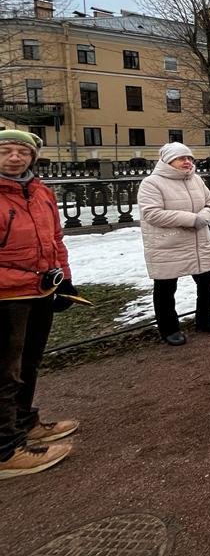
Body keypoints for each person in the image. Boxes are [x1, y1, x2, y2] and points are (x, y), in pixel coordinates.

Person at [0, 130, 80, 479]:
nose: (15, 157)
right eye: (6, 151)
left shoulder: (40, 191)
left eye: (23, 152)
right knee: (4, 371)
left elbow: (54, 239)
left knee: (28, 362)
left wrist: (63, 278)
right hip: (6, 295)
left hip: (40, 289)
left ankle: (24, 423)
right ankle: (5, 450)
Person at [138, 142, 210, 345]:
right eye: (181, 158)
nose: (187, 162)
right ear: (168, 161)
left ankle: (206, 319)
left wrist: (204, 215)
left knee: (207, 283)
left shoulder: (196, 179)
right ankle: (169, 329)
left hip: (198, 242)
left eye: (189, 158)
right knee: (166, 288)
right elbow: (152, 213)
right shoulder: (152, 183)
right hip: (168, 244)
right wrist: (192, 219)